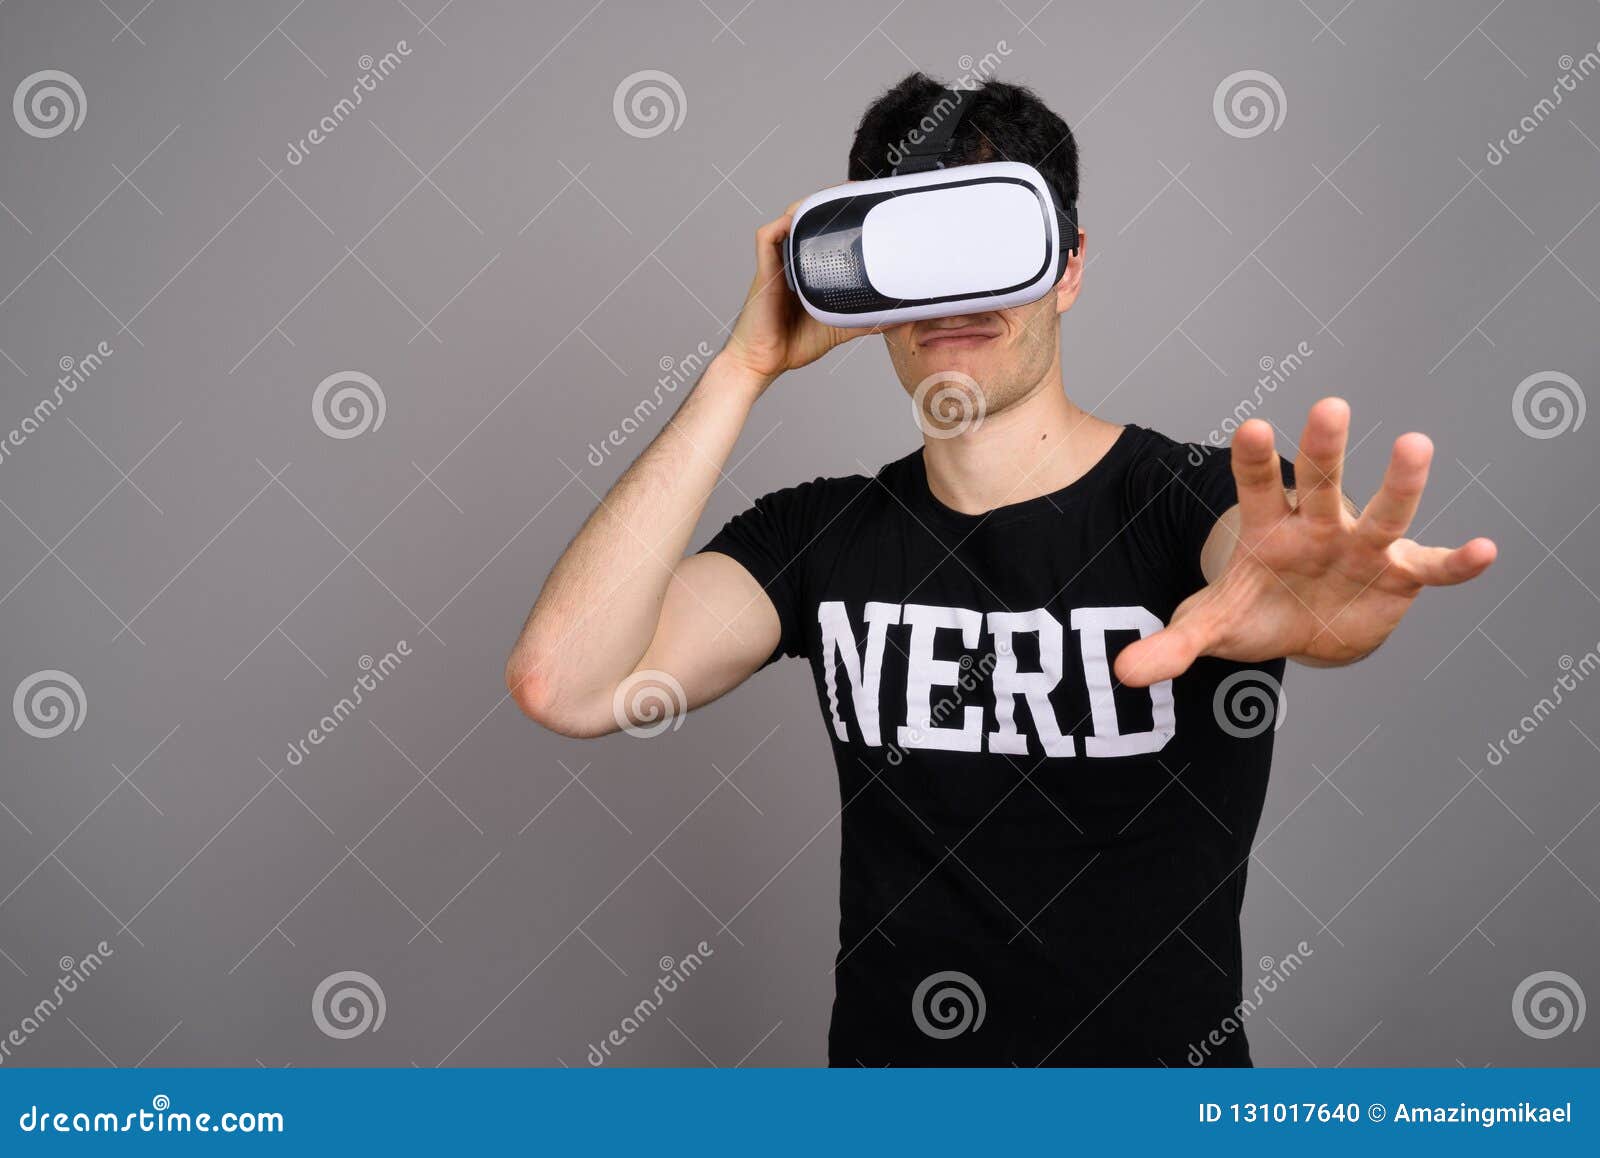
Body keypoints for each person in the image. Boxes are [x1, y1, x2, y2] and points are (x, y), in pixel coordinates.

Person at [505, 74, 1497, 1066]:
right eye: (911, 256)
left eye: (985, 246)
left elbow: (1269, 564)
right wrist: (741, 367)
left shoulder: (1194, 500)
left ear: (1065, 265)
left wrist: (1308, 599)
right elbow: (570, 682)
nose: (955, 297)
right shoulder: (816, 536)